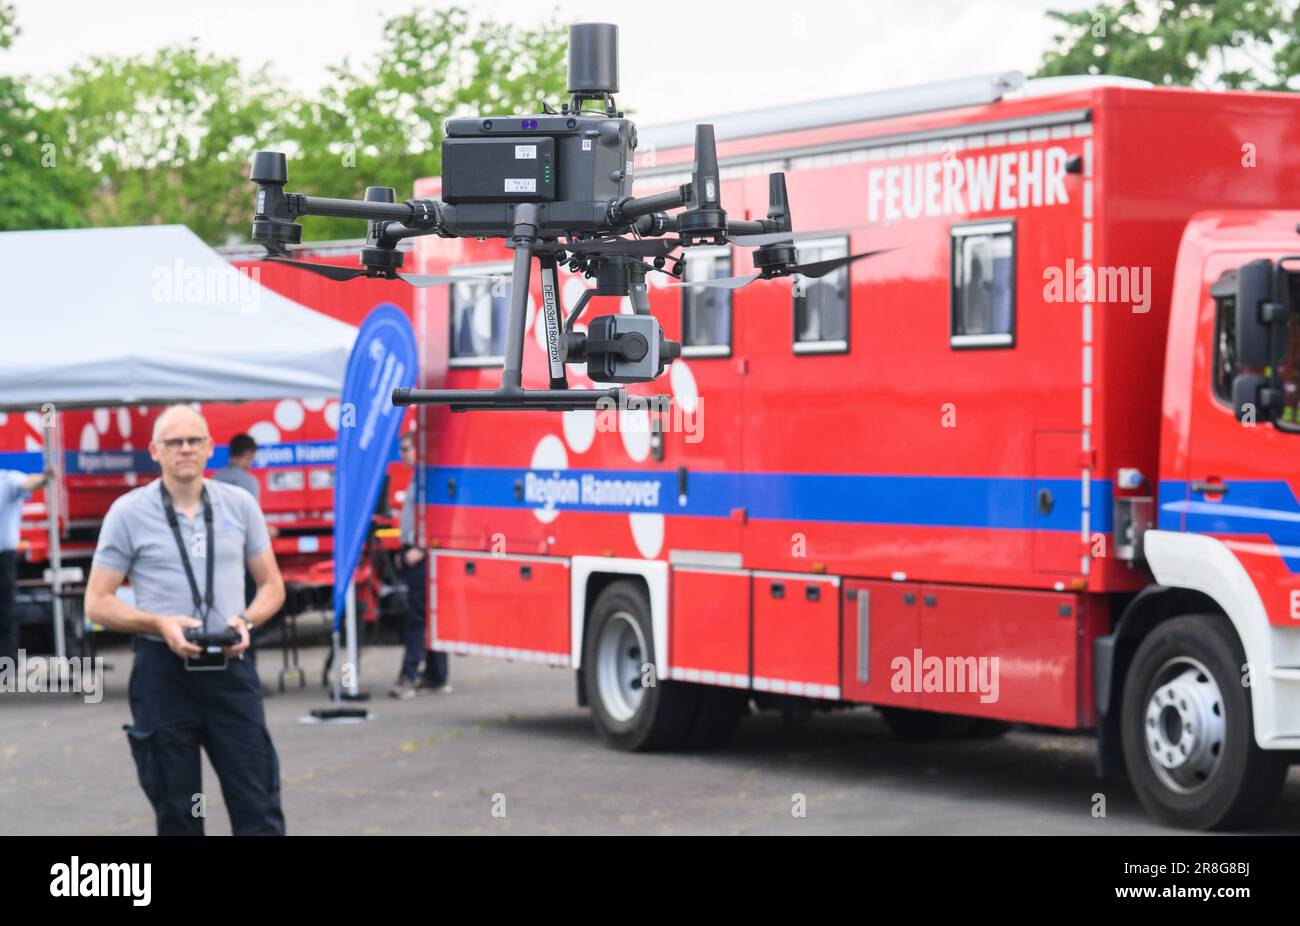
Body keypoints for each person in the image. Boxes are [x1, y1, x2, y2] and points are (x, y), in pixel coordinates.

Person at [85, 405, 287, 835]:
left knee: (258, 808)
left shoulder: (240, 505)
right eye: (174, 443)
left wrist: (246, 624)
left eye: (194, 440)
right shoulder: (128, 512)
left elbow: (272, 587)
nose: (185, 450)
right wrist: (159, 624)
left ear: (210, 448)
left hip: (231, 671)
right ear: (155, 451)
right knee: (179, 814)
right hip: (163, 675)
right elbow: (97, 603)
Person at [389, 430, 450, 699]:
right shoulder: (420, 477)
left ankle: (409, 675)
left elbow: (438, 516)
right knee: (428, 615)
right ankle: (436, 674)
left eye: (406, 449)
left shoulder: (426, 478)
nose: (402, 454)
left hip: (422, 555)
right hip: (419, 551)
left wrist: (420, 549)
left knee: (417, 617)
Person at [0, 468, 52, 663]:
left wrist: (45, 478)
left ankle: (6, 661)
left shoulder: (7, 479)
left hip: (3, 557)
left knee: (5, 610)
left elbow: (29, 482)